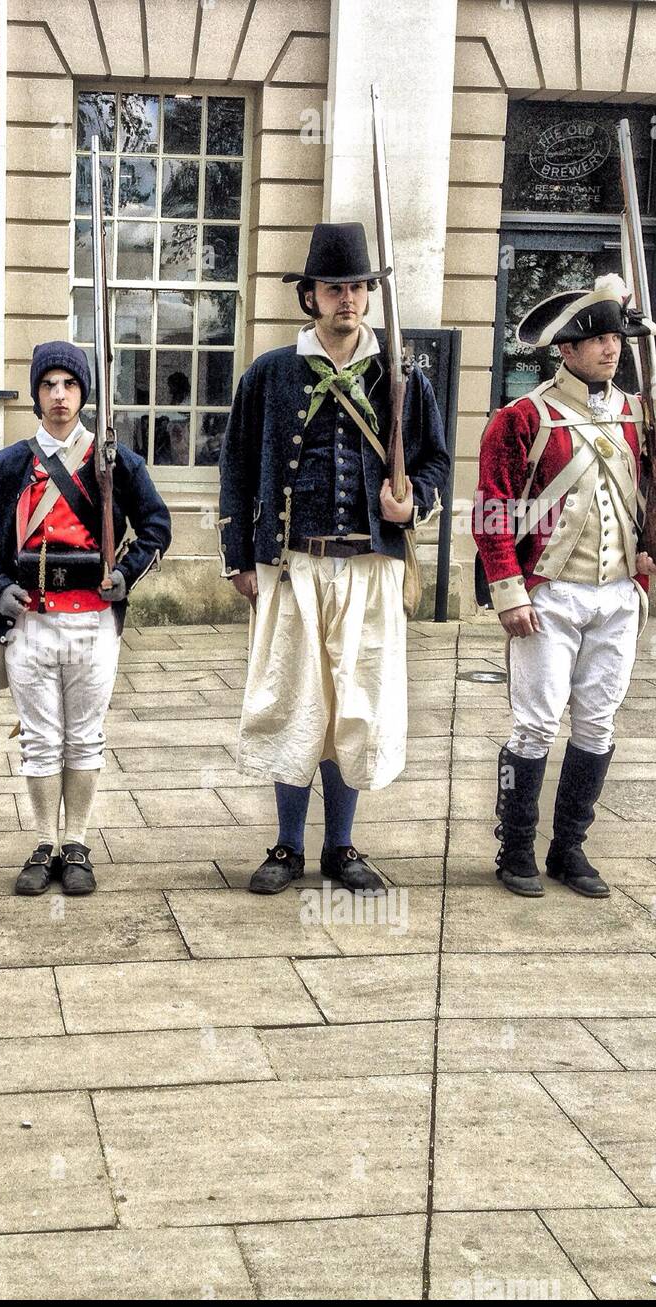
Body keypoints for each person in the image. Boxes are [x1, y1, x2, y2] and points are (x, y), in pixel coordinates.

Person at [216, 223, 450, 896]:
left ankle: (341, 847)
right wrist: (238, 556)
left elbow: (434, 459)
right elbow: (236, 468)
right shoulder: (270, 375)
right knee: (296, 704)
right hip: (292, 566)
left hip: (372, 568)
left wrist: (415, 502)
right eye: (334, 288)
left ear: (370, 296)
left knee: (358, 705)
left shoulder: (401, 376)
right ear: (310, 297)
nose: (347, 299)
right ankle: (287, 848)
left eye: (357, 288)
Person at [473, 274, 656, 897]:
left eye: (614, 336)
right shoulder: (522, 418)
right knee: (533, 728)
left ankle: (570, 848)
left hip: (620, 595)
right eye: (595, 338)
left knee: (597, 725)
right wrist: (508, 590)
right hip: (548, 595)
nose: (610, 347)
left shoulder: (641, 414)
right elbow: (494, 508)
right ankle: (515, 848)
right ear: (564, 350)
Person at [0, 341, 171, 895]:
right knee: (39, 738)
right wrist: (1, 587)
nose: (59, 396)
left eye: (69, 385)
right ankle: (43, 843)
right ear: (35, 395)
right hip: (30, 621)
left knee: (84, 737)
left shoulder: (115, 462)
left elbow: (156, 526)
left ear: (83, 393)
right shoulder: (5, 466)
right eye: (48, 385)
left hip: (91, 620)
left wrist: (126, 574)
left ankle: (76, 842)